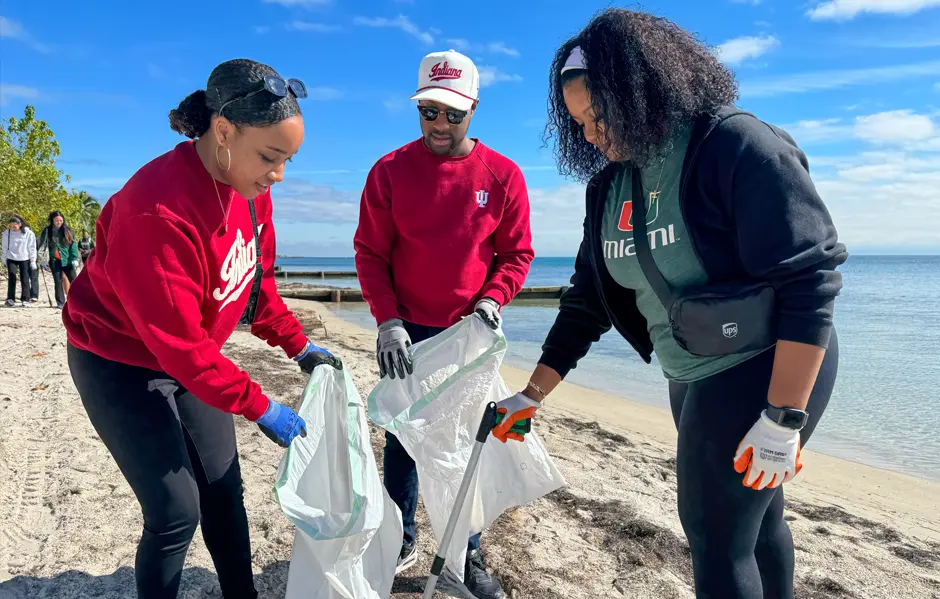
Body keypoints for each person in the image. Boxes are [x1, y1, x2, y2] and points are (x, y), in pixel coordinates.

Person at [493, 9, 847, 599]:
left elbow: (811, 279)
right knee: (755, 526)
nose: (588, 134)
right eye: (577, 121)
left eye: (598, 115)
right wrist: (531, 395)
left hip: (768, 361)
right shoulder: (608, 185)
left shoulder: (733, 145)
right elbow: (587, 302)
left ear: (643, 91)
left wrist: (785, 415)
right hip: (689, 372)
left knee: (714, 535)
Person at [62, 58, 341, 599]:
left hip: (192, 357)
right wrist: (260, 405)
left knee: (222, 489)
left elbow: (254, 287)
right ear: (222, 132)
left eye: (288, 160)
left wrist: (298, 344)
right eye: (270, 156)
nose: (278, 174)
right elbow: (181, 346)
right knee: (175, 511)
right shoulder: (156, 211)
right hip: (119, 359)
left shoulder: (251, 189)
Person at [354, 49, 534, 599]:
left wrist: (493, 301)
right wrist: (387, 322)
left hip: (469, 339)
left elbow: (517, 255)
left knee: (465, 447)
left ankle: (466, 552)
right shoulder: (388, 172)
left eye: (452, 114)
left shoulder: (502, 176)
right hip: (406, 335)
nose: (439, 124)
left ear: (473, 109)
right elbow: (369, 253)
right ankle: (401, 539)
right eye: (429, 111)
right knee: (405, 441)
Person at [38, 211, 80, 308]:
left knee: (74, 281)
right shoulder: (47, 230)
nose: (59, 222)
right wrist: (42, 260)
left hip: (68, 260)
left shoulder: (68, 230)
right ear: (52, 220)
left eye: (61, 220)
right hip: (54, 261)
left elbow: (73, 244)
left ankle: (77, 301)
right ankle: (60, 303)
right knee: (57, 281)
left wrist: (75, 258)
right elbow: (42, 245)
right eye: (56, 220)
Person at [2, 215, 37, 306]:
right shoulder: (7, 233)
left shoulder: (28, 233)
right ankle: (10, 299)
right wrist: (4, 259)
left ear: (20, 224)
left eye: (15, 226)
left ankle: (25, 299)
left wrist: (33, 261)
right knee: (12, 277)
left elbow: (32, 248)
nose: (13, 228)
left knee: (25, 278)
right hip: (11, 257)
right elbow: (5, 247)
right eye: (11, 226)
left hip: (24, 258)